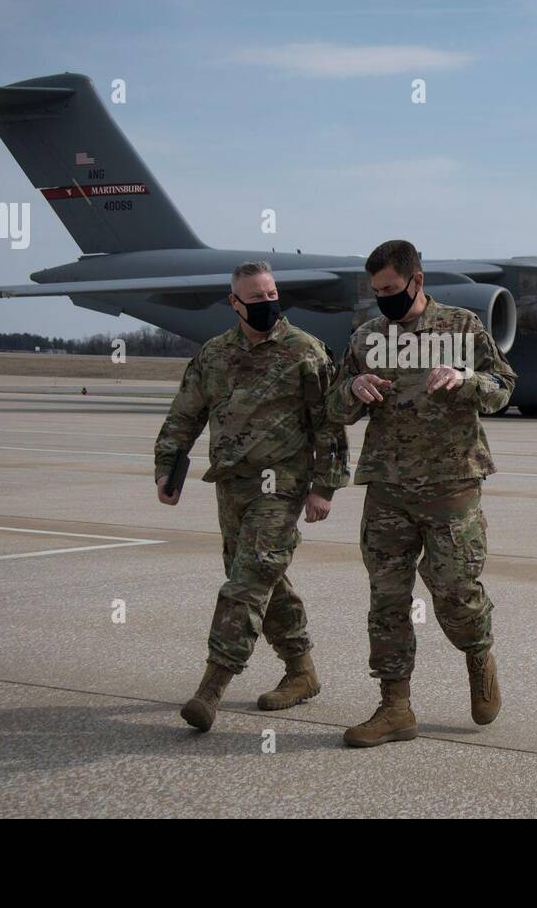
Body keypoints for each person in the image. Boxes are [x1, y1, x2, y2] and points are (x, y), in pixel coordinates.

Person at [327, 239, 517, 747]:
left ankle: (479, 655)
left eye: (391, 288)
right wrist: (353, 390)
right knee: (386, 599)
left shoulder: (461, 327)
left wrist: (466, 378)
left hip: (451, 486)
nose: (383, 298)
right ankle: (395, 708)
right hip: (387, 488)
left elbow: (503, 387)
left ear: (417, 280)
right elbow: (335, 405)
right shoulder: (367, 337)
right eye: (376, 291)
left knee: (455, 595)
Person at [154, 261, 349, 732]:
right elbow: (185, 414)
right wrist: (168, 467)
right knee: (263, 577)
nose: (266, 304)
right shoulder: (215, 354)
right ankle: (302, 671)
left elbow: (329, 424)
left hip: (280, 486)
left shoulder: (305, 352)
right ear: (234, 303)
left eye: (271, 295)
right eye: (255, 298)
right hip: (231, 485)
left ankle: (211, 687)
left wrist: (324, 487)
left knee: (248, 581)